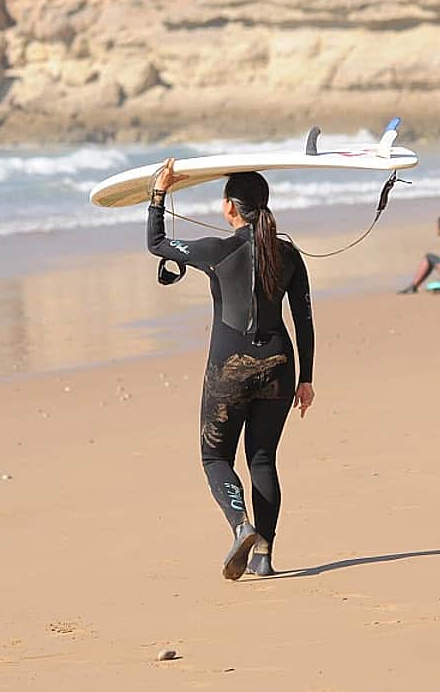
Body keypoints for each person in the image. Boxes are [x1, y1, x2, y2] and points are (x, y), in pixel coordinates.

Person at [147, 158, 315, 579]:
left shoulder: (215, 250)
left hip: (229, 369)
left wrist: (158, 193)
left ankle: (242, 526)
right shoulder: (289, 253)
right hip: (280, 366)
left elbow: (157, 243)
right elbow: (304, 319)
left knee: (214, 456)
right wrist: (307, 378)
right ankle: (264, 557)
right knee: (262, 459)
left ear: (230, 208)